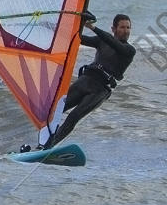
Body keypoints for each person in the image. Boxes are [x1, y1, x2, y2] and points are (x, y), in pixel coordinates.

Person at [22, 12, 135, 151]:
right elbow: (76, 37)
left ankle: (48, 148)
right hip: (86, 80)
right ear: (113, 29)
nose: (126, 31)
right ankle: (39, 144)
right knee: (54, 111)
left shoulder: (129, 50)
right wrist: (51, 27)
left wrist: (92, 27)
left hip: (100, 90)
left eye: (128, 27)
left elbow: (114, 43)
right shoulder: (101, 41)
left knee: (73, 117)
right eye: (122, 27)